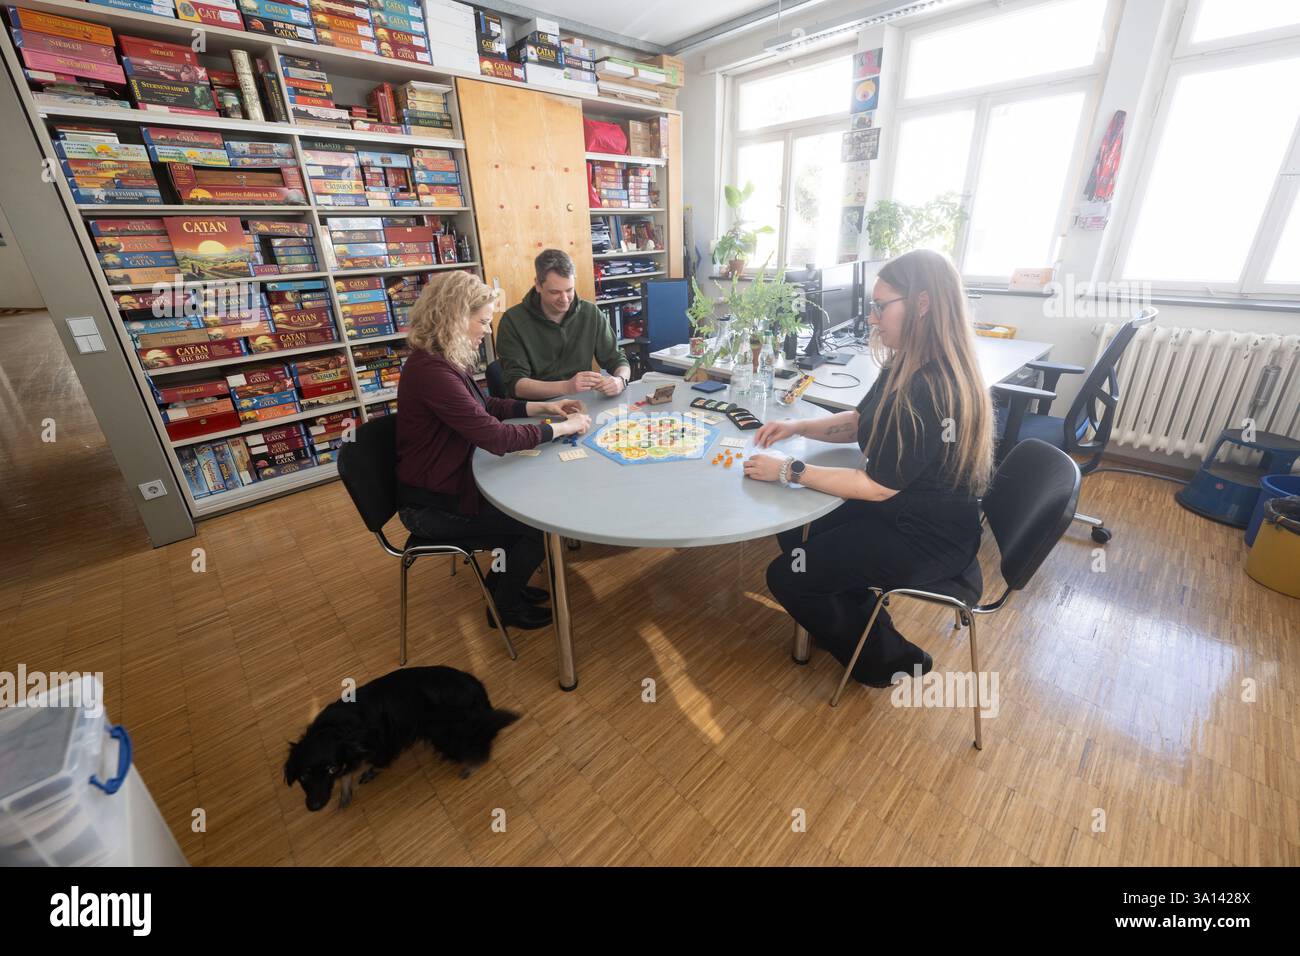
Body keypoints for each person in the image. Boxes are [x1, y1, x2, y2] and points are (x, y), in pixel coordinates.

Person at [745, 249, 994, 685]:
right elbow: (861, 422)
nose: (873, 318)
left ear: (922, 305)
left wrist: (790, 470)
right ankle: (850, 614)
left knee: (787, 575)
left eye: (881, 306)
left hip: (926, 534)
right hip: (903, 507)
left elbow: (878, 487)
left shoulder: (933, 386)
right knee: (795, 527)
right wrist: (797, 425)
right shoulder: (907, 360)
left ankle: (888, 661)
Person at [396, 270, 591, 629]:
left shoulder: (441, 359)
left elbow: (486, 407)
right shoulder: (432, 372)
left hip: (451, 481)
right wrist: (562, 427)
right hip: (431, 505)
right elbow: (496, 437)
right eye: (483, 321)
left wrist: (543, 408)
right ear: (455, 318)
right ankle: (503, 606)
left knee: (534, 505)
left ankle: (505, 586)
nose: (488, 330)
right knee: (539, 523)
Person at [495, 248, 631, 400]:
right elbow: (517, 386)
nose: (565, 299)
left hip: (582, 404)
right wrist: (566, 387)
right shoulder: (512, 322)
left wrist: (620, 380)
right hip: (536, 409)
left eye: (569, 290)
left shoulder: (590, 313)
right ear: (538, 285)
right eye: (555, 292)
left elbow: (617, 359)